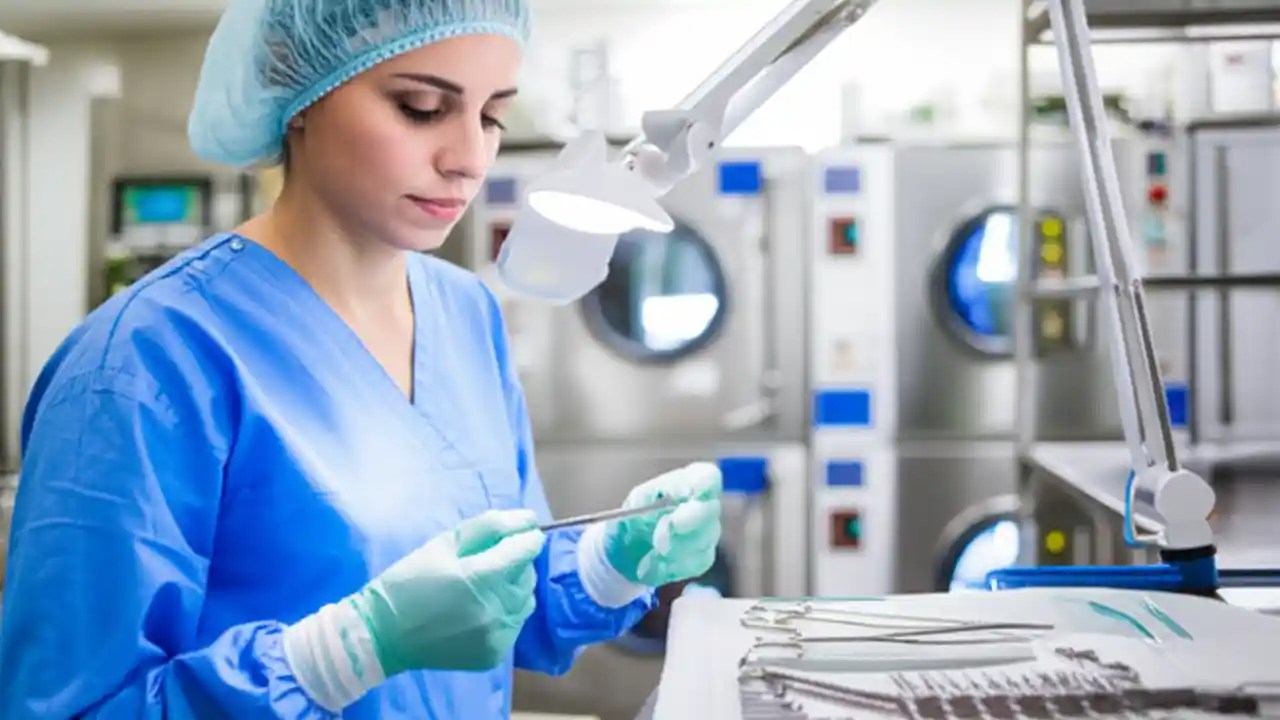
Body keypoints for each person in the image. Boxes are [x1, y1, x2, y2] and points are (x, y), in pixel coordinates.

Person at [0, 1, 723, 717]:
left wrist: (610, 562)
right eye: (420, 107)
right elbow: (71, 706)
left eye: (492, 116)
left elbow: (495, 609)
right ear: (298, 93)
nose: (468, 158)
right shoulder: (147, 361)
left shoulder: (466, 314)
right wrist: (341, 653)